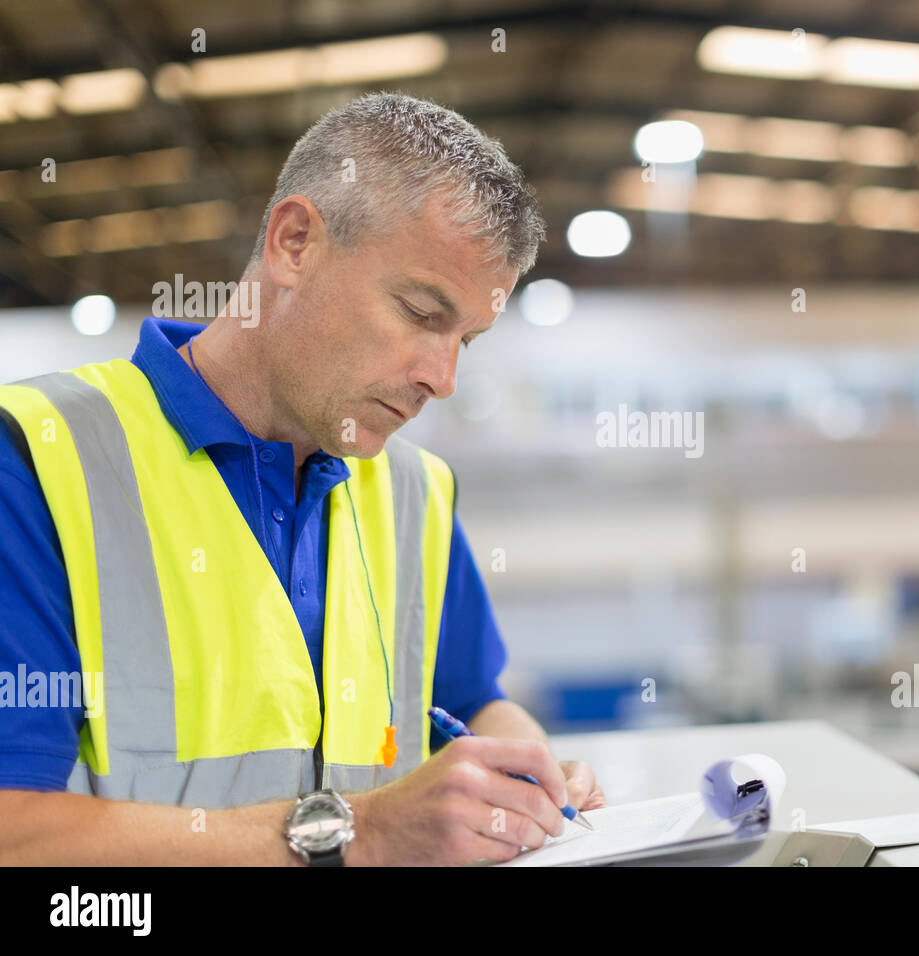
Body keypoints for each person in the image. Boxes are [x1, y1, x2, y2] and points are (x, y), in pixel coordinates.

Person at [0, 92, 604, 866]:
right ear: (294, 242)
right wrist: (359, 833)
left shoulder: (413, 492)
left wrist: (528, 775)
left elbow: (470, 702)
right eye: (421, 313)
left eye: (469, 340)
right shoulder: (42, 462)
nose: (443, 378)